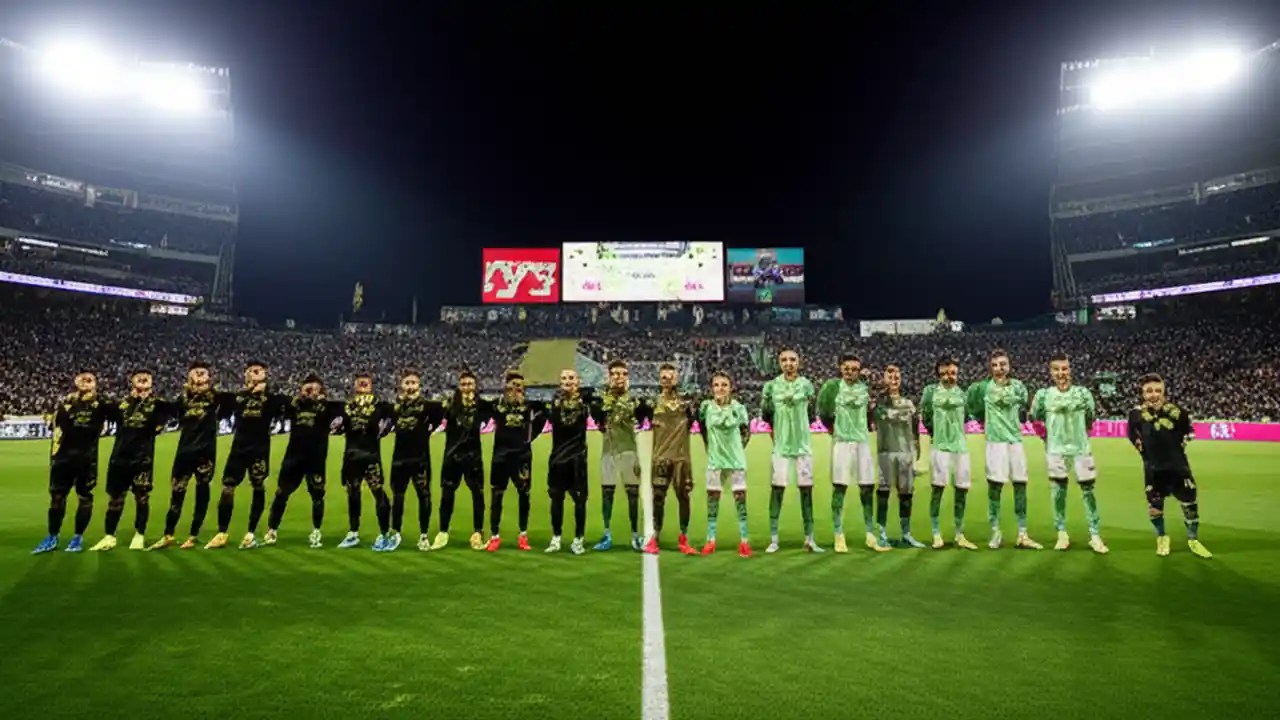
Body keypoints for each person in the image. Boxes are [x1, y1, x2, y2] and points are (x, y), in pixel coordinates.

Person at [149, 362, 233, 550]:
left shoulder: (216, 398)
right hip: (184, 452)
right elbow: (166, 410)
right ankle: (168, 534)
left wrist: (210, 389)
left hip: (205, 453)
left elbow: (234, 400)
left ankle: (193, 535)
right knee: (177, 494)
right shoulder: (183, 400)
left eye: (203, 374)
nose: (199, 378)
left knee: (202, 492)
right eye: (195, 374)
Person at [1030, 353, 1108, 554]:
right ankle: (1062, 534)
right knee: (1058, 492)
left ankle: (1095, 535)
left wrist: (1080, 434)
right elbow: (1034, 417)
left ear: (1070, 369)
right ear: (1051, 372)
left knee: (1088, 491)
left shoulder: (1083, 393)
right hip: (1056, 450)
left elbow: (1090, 417)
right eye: (1056, 369)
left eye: (1064, 369)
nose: (1061, 373)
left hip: (1081, 449)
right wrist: (1045, 437)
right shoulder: (1043, 395)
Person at [1127, 374, 1212, 558]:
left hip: (1178, 467)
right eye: (1149, 391)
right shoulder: (1135, 415)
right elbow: (1131, 436)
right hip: (1153, 469)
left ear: (1164, 392)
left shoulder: (1178, 412)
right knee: (1155, 506)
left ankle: (1193, 539)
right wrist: (1145, 455)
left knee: (1189, 503)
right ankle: (1162, 537)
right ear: (1142, 393)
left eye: (1158, 390)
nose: (1153, 395)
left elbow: (1187, 434)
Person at [90, 369, 175, 551]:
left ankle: (139, 534)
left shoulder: (158, 405)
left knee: (142, 498)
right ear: (131, 381)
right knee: (115, 500)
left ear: (152, 383)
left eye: (147, 378)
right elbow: (101, 406)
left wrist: (148, 397)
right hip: (119, 459)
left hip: (142, 460)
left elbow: (172, 411)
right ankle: (109, 536)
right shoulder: (121, 405)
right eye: (139, 377)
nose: (143, 379)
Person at [205, 361, 287, 550]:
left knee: (258, 486)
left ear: (265, 375)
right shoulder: (238, 397)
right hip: (238, 449)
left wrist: (267, 391)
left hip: (259, 450)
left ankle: (250, 534)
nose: (253, 374)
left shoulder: (272, 399)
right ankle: (222, 532)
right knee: (227, 488)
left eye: (258, 371)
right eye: (250, 371)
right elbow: (217, 403)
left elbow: (287, 405)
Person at [966, 349, 1041, 550]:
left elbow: (1024, 406)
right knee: (995, 488)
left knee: (1020, 485)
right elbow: (973, 408)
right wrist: (985, 423)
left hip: (1015, 441)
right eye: (996, 365)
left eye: (1003, 364)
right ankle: (996, 531)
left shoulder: (1019, 387)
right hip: (995, 443)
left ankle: (1022, 533)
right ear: (990, 368)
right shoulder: (982, 388)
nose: (1000, 368)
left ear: (1009, 366)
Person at [33, 371, 112, 554]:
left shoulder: (102, 404)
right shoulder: (65, 403)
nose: (85, 381)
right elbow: (56, 429)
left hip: (87, 460)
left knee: (84, 497)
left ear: (96, 383)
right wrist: (54, 456)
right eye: (81, 378)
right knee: (57, 498)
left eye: (90, 379)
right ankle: (52, 536)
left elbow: (117, 414)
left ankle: (77, 538)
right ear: (75, 381)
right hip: (63, 459)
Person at [263, 375, 339, 549]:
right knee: (281, 493)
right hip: (293, 458)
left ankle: (316, 531)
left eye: (315, 388)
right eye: (307, 388)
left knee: (317, 496)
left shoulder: (327, 408)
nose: (310, 392)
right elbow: (277, 400)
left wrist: (321, 400)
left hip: (316, 459)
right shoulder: (295, 406)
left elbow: (341, 411)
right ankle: (272, 529)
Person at [760, 348, 821, 553]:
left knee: (806, 492)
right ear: (779, 363)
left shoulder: (807, 386)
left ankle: (809, 538)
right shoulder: (770, 387)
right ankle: (774, 539)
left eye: (792, 359)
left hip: (803, 447)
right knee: (777, 491)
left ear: (799, 362)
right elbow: (767, 416)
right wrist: (777, 440)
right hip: (781, 449)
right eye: (784, 360)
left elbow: (812, 414)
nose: (788, 363)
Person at [817, 354, 878, 553]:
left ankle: (870, 533)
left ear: (859, 370)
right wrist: (833, 430)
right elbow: (824, 412)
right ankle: (838, 534)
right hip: (842, 442)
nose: (850, 372)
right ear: (840, 368)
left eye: (854, 368)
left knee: (867, 488)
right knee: (840, 488)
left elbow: (872, 410)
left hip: (862, 442)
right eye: (847, 368)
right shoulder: (833, 387)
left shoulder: (865, 388)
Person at [431, 370, 494, 550]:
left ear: (475, 386)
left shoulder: (482, 406)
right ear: (459, 386)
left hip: (473, 456)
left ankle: (477, 532)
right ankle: (443, 532)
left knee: (478, 494)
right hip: (451, 456)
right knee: (447, 493)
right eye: (464, 384)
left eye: (470, 384)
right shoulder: (449, 405)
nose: (467, 388)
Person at [333, 372, 395, 550]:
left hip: (371, 456)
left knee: (378, 493)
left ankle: (384, 534)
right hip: (351, 456)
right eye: (359, 383)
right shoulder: (347, 407)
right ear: (354, 386)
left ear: (371, 385)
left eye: (365, 383)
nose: (362, 385)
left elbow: (393, 416)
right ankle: (353, 533)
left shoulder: (380, 406)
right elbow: (338, 425)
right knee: (353, 493)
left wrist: (387, 427)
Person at [593, 360, 650, 551]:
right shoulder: (601, 400)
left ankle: (635, 536)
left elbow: (643, 421)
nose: (619, 377)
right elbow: (598, 422)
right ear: (609, 377)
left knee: (633, 494)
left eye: (623, 374)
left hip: (629, 451)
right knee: (607, 493)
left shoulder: (635, 400)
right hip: (608, 452)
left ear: (627, 377)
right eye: (615, 374)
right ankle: (607, 534)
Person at [921, 357, 978, 550]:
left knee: (962, 490)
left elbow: (967, 416)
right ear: (938, 374)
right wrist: (937, 434)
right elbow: (926, 417)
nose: (949, 377)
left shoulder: (963, 394)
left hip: (960, 448)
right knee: (938, 490)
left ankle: (959, 534)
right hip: (940, 448)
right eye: (944, 373)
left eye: (952, 373)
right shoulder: (930, 392)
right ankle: (936, 533)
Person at [486, 371, 546, 552]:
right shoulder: (497, 406)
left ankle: (523, 535)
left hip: (522, 457)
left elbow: (543, 418)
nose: (516, 389)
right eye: (513, 385)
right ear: (506, 387)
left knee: (524, 495)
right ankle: (495, 536)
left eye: (520, 386)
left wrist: (530, 437)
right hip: (500, 457)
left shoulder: (530, 406)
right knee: (497, 496)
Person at [697, 371, 753, 557]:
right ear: (711, 388)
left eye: (724, 385)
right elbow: (703, 430)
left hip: (736, 461)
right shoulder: (706, 407)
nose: (720, 389)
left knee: (740, 501)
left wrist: (737, 449)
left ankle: (744, 541)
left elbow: (746, 432)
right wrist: (711, 448)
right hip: (715, 462)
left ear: (731, 388)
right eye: (716, 385)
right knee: (713, 501)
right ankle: (710, 540)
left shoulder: (739, 408)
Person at [389, 370, 445, 552]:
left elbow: (441, 414)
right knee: (398, 497)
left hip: (420, 459)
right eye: (407, 383)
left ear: (419, 387)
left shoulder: (428, 407)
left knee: (424, 496)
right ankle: (395, 533)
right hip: (399, 459)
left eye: (414, 383)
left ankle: (423, 536)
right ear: (401, 386)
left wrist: (429, 430)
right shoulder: (395, 407)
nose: (410, 386)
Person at [646, 363, 698, 555]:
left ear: (677, 378)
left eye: (671, 377)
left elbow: (694, 422)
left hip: (681, 459)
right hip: (660, 458)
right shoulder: (652, 403)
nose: (668, 380)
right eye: (664, 377)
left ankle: (684, 538)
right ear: (660, 380)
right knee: (658, 497)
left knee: (683, 497)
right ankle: (655, 536)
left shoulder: (687, 404)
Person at [872, 365, 924, 549]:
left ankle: (906, 533)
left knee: (906, 494)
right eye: (890, 375)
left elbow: (914, 426)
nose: (894, 379)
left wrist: (917, 445)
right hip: (886, 451)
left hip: (905, 452)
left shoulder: (908, 402)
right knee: (884, 493)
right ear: (884, 379)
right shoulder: (879, 403)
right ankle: (882, 533)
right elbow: (881, 416)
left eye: (897, 376)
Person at [544, 369, 595, 555]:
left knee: (580, 500)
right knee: (556, 500)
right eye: (564, 378)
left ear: (578, 381)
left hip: (578, 459)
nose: (568, 381)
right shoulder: (554, 402)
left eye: (571, 378)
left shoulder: (586, 401)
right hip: (557, 459)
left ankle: (578, 539)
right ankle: (556, 538)